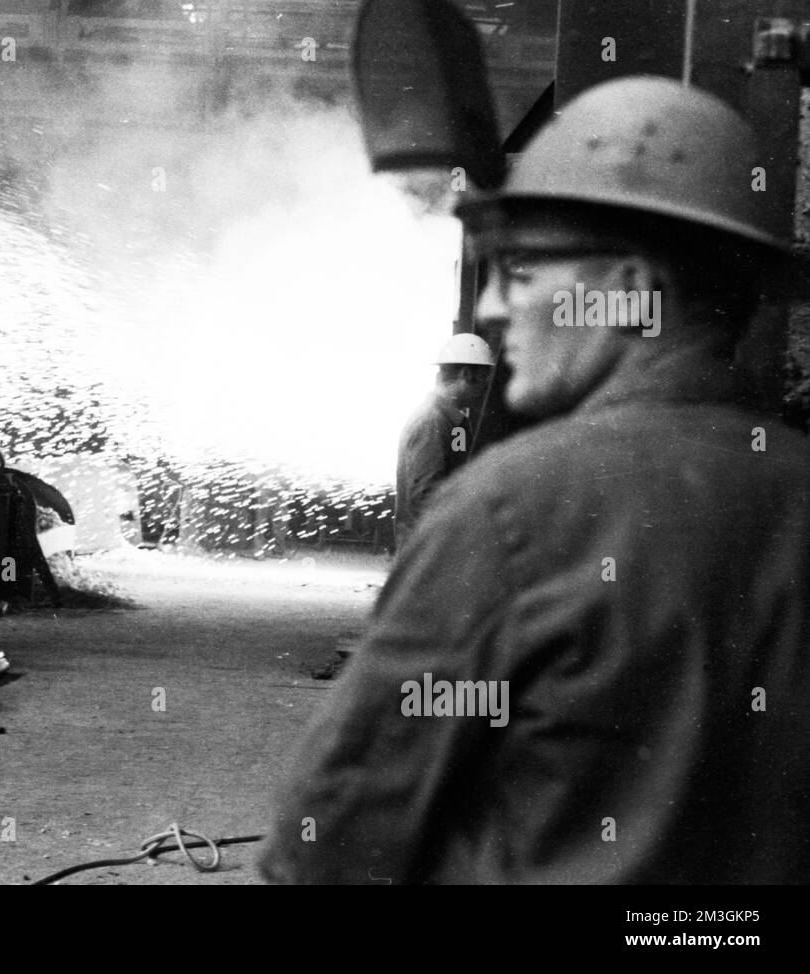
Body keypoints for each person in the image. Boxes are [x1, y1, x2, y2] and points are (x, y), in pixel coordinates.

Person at [259, 76, 810, 883]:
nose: (491, 307)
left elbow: (332, 842)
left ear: (626, 291)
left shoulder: (514, 508)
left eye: (519, 268)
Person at [394, 333, 493, 549]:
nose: (487, 387)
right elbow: (425, 496)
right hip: (427, 551)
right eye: (484, 377)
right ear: (467, 374)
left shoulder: (456, 422)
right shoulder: (431, 422)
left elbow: (458, 475)